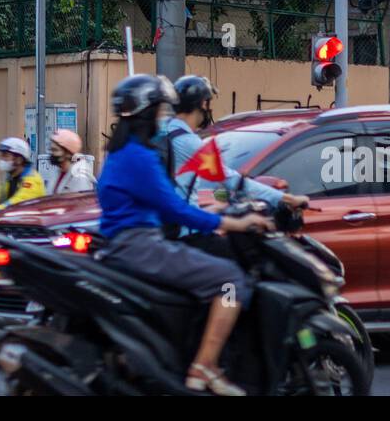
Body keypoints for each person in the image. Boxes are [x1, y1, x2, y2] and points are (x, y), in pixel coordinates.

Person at [97, 74, 274, 396]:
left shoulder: (121, 153)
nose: (164, 118)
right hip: (142, 245)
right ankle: (204, 365)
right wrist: (230, 222)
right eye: (161, 111)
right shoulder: (142, 157)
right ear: (148, 113)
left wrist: (216, 213)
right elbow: (175, 208)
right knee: (231, 281)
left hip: (130, 244)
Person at [162, 76, 309, 232]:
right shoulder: (189, 143)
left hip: (172, 225)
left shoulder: (165, 131)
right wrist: (287, 198)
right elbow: (231, 179)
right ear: (203, 104)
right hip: (186, 232)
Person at [0, 136, 46, 216]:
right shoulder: (9, 178)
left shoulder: (32, 179)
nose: (1, 159)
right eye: (1, 156)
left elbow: (19, 201)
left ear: (19, 159)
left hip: (29, 224)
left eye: (5, 156)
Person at [46, 130, 95, 194]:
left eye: (55, 150)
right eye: (51, 149)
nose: (52, 153)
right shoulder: (58, 170)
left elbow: (80, 202)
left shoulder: (80, 176)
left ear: (68, 153)